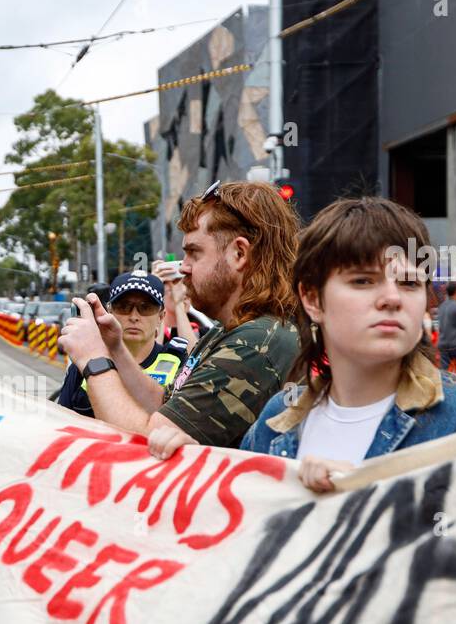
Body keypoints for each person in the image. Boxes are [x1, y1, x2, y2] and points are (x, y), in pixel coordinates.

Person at [239, 198, 456, 490]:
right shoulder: (276, 421)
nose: (392, 298)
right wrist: (191, 460)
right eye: (363, 281)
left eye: (409, 283)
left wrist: (371, 495)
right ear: (311, 298)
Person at [58, 180, 301, 460]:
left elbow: (150, 441)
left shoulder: (258, 343)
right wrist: (114, 348)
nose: (183, 267)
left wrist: (93, 359)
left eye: (194, 253)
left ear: (239, 254)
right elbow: (166, 405)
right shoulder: (231, 330)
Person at [56, 271, 186, 419]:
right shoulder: (87, 361)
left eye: (146, 308)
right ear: (110, 311)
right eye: (124, 307)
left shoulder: (179, 362)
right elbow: (61, 421)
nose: (134, 317)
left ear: (161, 316)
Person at [435, 281, 456, 378]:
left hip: (443, 346)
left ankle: (443, 392)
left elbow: (440, 327)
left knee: (444, 374)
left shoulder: (441, 307)